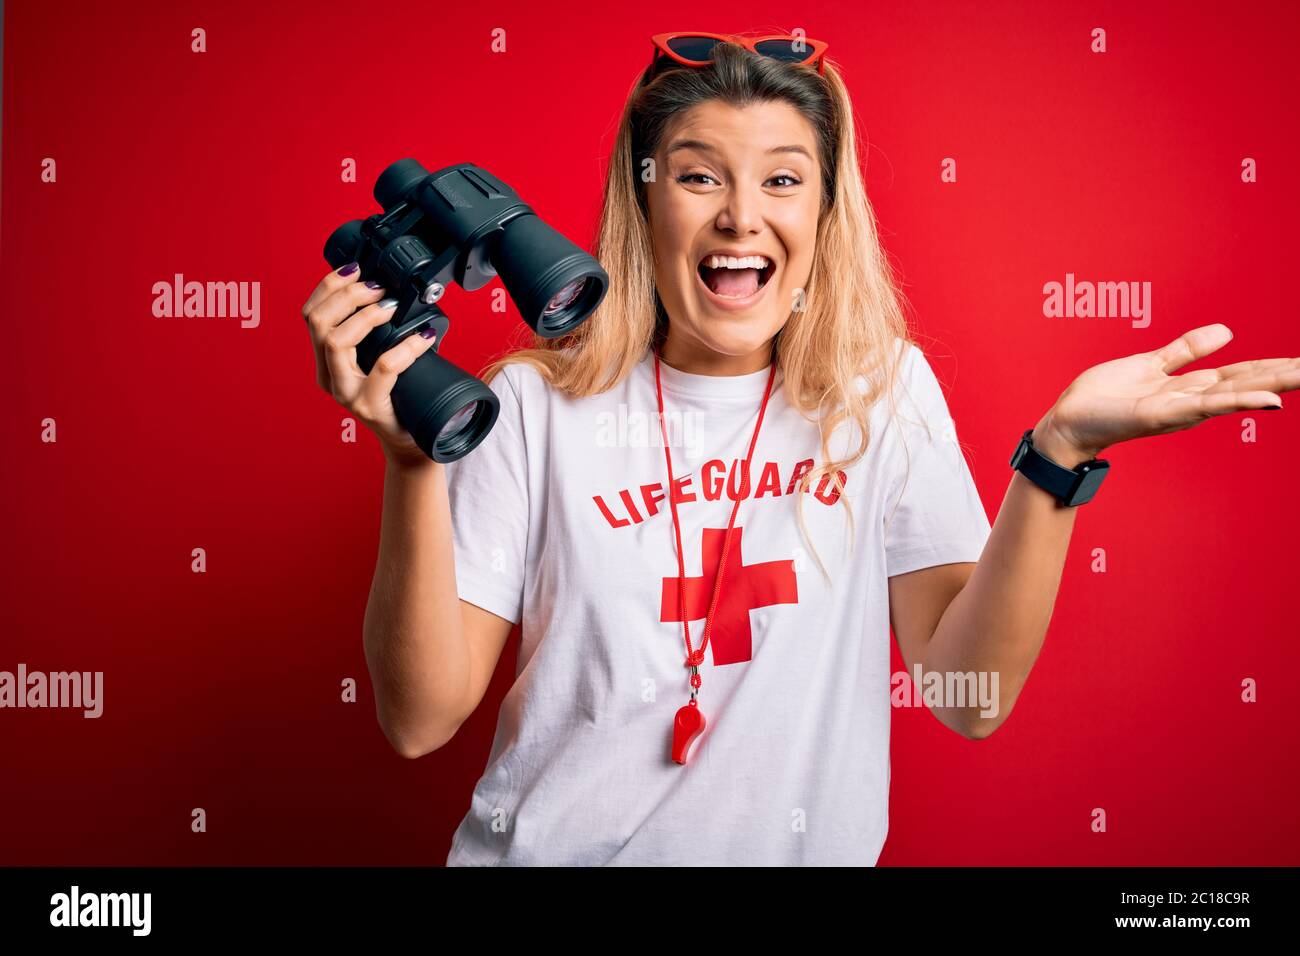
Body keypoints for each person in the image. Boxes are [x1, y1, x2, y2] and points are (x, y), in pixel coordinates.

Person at [299, 35, 1299, 866]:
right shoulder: (531, 404)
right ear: (644, 206)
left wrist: (1056, 454)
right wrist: (410, 461)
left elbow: (970, 698)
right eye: (696, 176)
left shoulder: (881, 391)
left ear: (823, 211)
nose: (742, 214)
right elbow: (420, 719)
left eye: (783, 178)